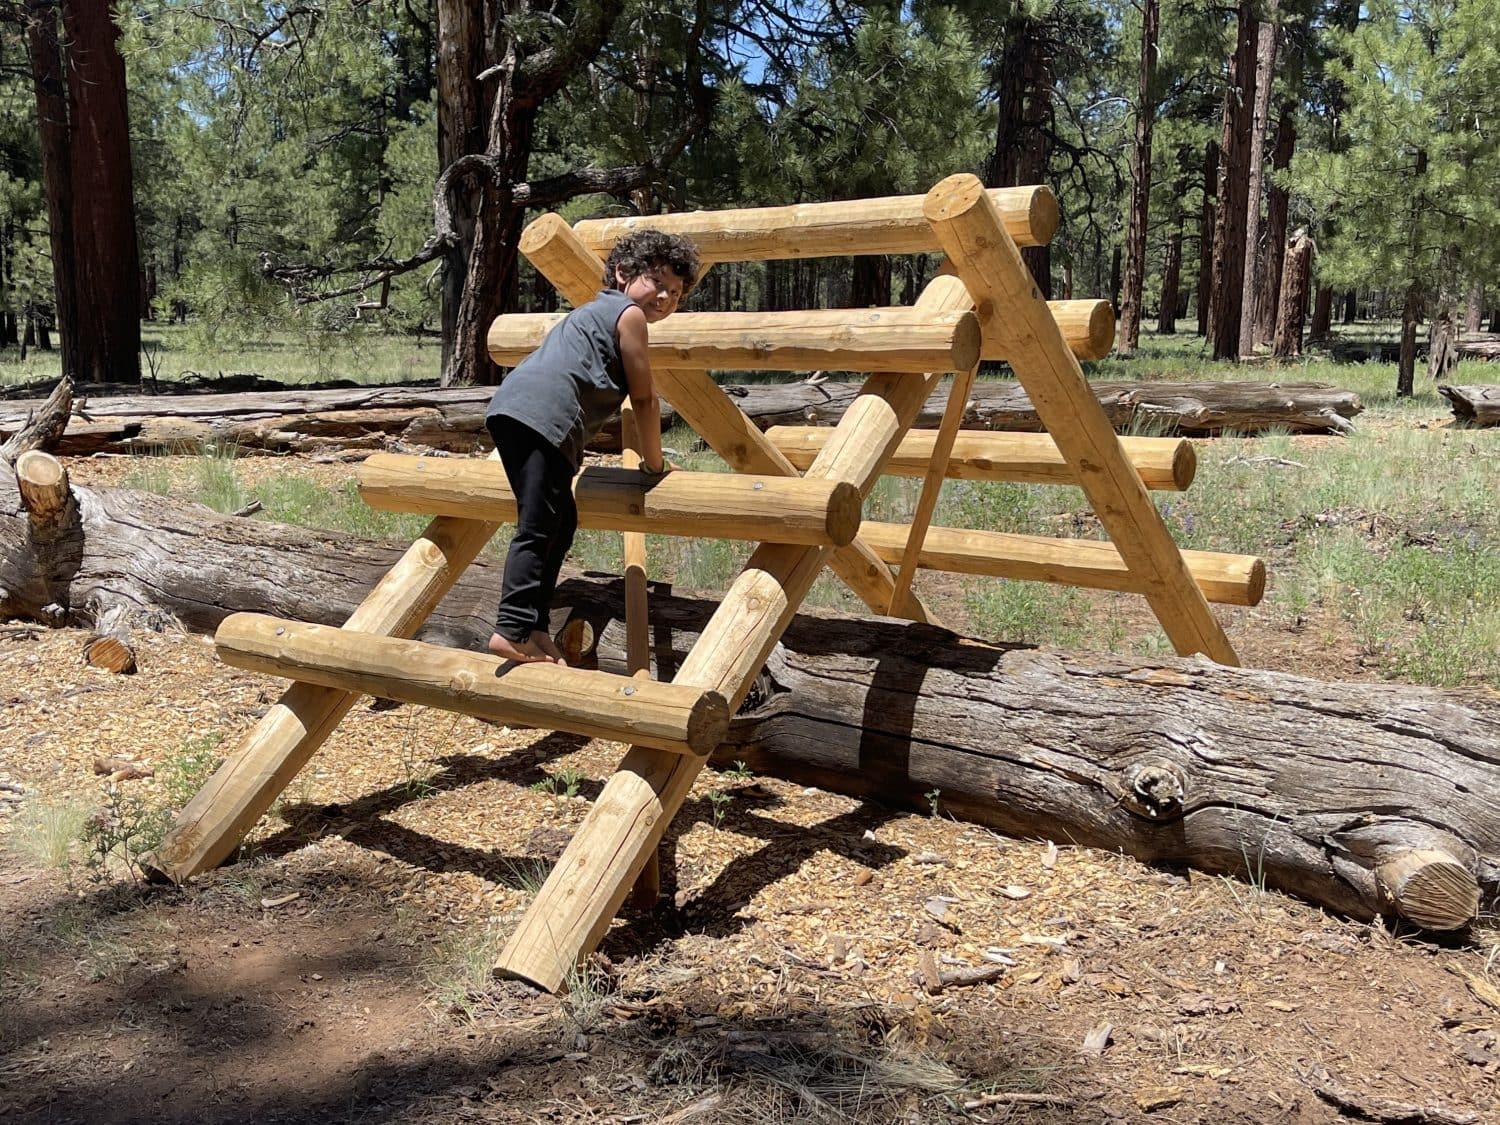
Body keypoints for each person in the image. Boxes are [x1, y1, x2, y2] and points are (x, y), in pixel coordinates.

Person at [484, 229, 700, 665]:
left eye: (675, 293)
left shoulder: (593, 313)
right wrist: (655, 466)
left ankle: (534, 627)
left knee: (559, 523)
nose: (664, 297)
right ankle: (510, 629)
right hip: (545, 417)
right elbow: (644, 398)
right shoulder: (629, 314)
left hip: (513, 410)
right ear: (622, 273)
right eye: (657, 282)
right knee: (539, 525)